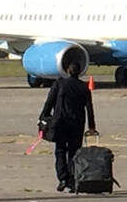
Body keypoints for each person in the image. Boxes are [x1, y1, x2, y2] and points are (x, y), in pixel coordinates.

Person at [38, 61, 98, 192]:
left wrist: (43, 117)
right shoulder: (84, 87)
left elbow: (49, 102)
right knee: (74, 152)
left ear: (67, 71)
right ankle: (72, 180)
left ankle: (62, 178)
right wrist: (92, 126)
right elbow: (89, 108)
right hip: (77, 124)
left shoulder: (59, 84)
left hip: (60, 122)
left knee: (60, 151)